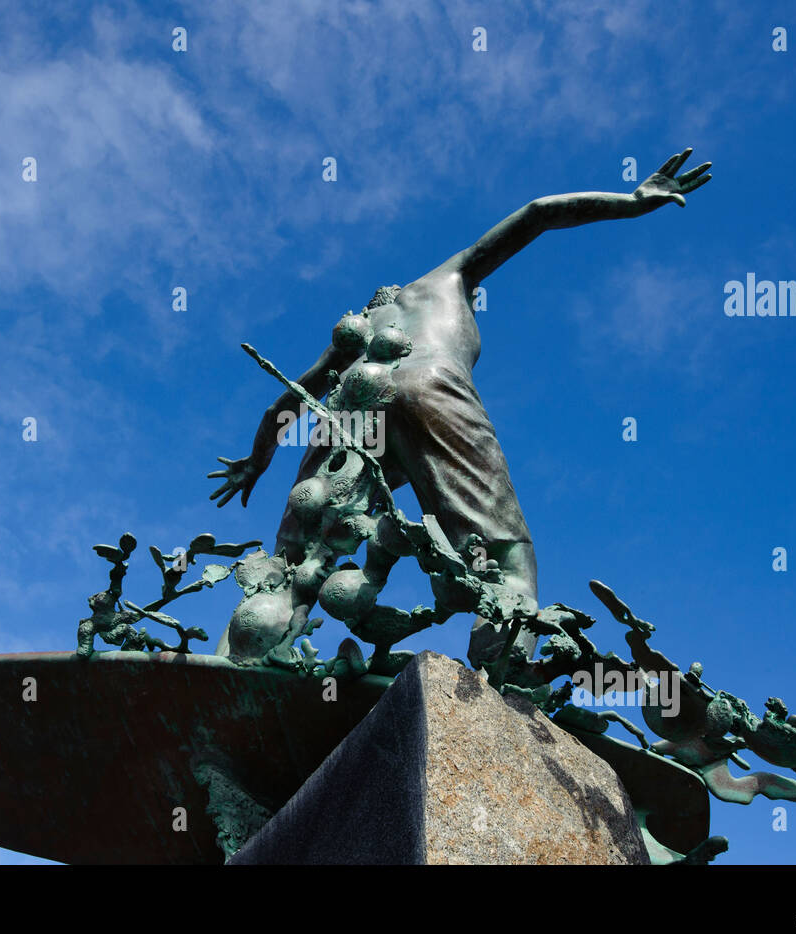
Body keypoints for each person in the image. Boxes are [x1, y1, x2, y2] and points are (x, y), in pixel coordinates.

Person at [210, 148, 711, 665]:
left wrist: (255, 463)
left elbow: (284, 405)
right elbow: (538, 213)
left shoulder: (354, 340)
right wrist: (630, 200)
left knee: (291, 564)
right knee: (504, 552)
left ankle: (230, 665)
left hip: (349, 411)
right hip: (426, 385)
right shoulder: (446, 280)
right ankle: (500, 680)